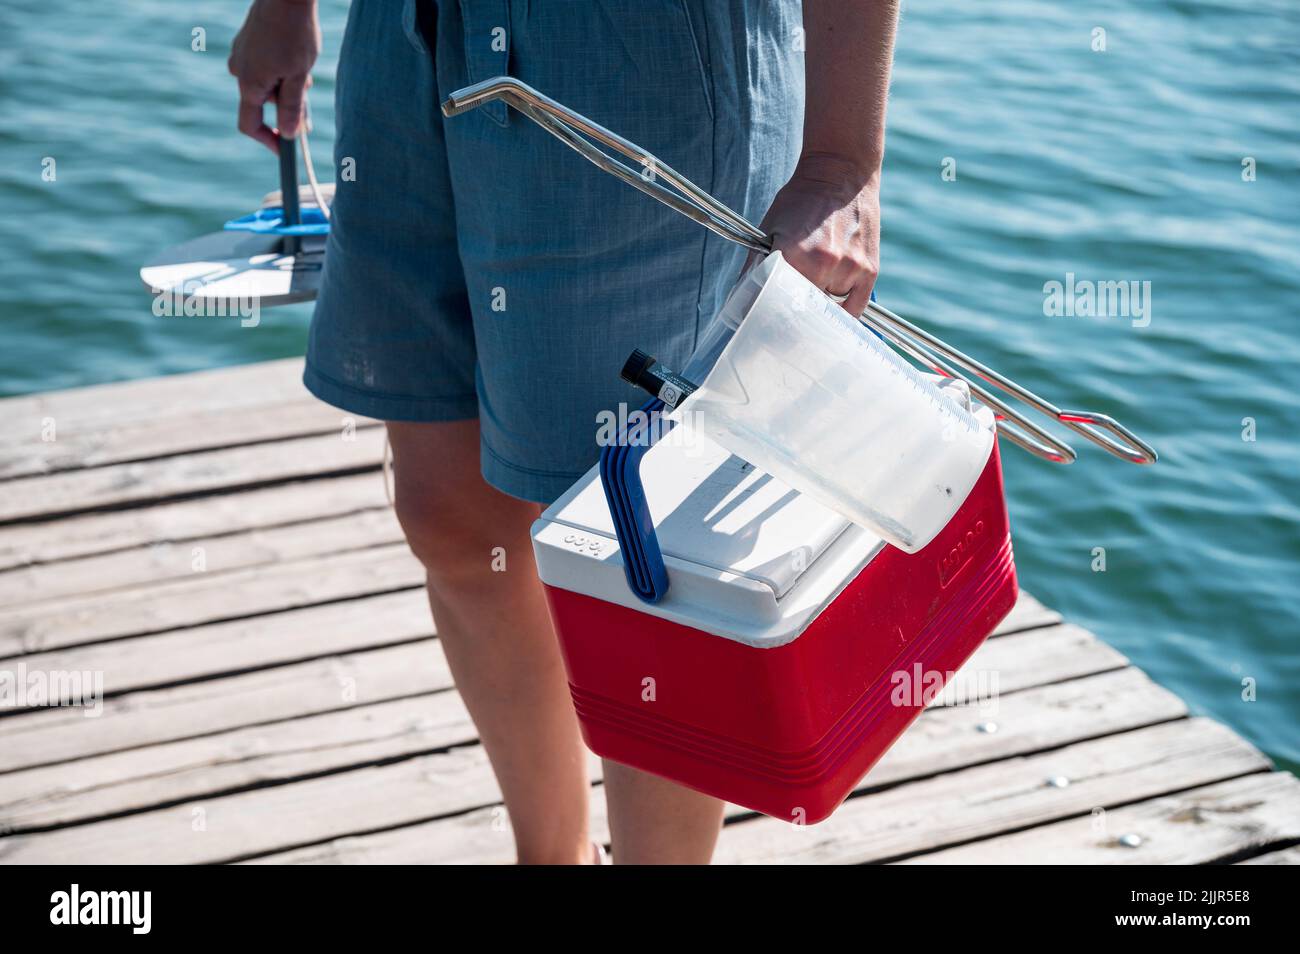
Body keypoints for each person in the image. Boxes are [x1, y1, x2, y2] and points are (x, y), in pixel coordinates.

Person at [229, 0, 896, 865]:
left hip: (645, 66)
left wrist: (843, 160)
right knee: (450, 515)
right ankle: (552, 858)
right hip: (407, 40)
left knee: (657, 566)